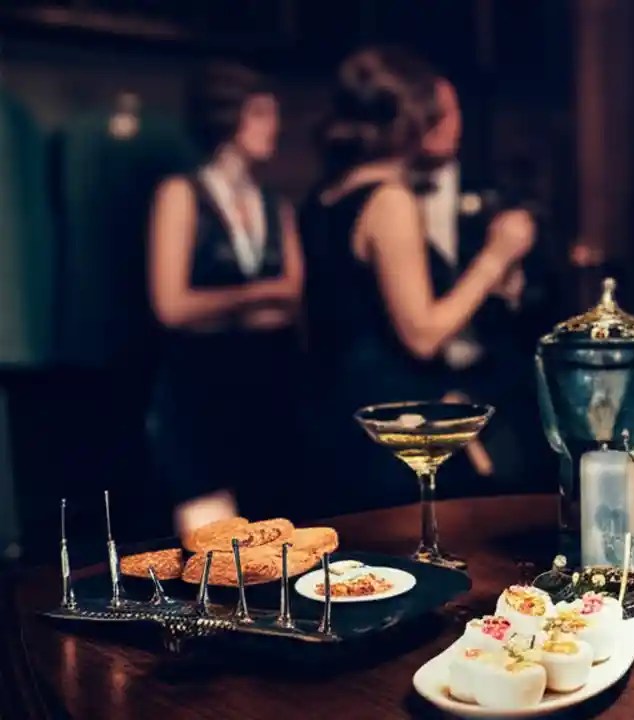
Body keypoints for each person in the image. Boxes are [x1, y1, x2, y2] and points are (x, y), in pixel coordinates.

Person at [300, 47, 535, 512]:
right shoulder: (390, 200)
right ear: (409, 118)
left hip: (337, 411)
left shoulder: (326, 195)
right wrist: (496, 256)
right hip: (390, 429)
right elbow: (423, 333)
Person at [147, 62, 304, 534]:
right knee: (212, 544)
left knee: (276, 536)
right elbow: (171, 305)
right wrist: (259, 293)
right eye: (260, 113)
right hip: (201, 384)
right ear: (224, 117)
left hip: (270, 380)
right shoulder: (182, 193)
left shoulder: (275, 203)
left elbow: (294, 293)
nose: (272, 125)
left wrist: (220, 300)